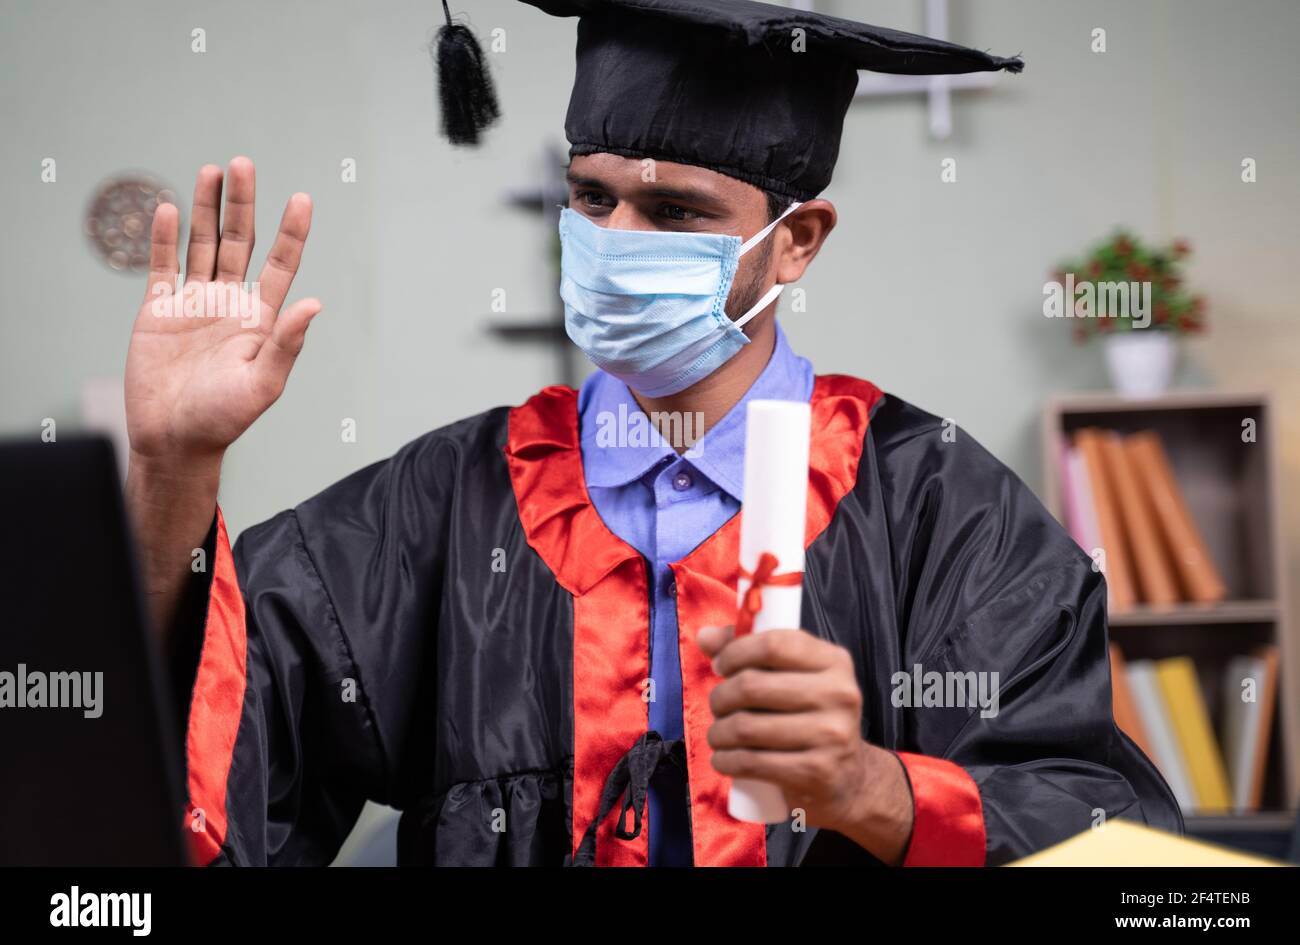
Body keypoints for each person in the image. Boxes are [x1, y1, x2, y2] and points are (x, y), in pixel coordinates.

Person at [124, 0, 1180, 867]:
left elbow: (1113, 851)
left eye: (675, 212)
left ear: (796, 240)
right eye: (593, 197)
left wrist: (871, 787)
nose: (615, 240)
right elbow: (201, 764)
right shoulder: (448, 500)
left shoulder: (941, 509)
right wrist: (174, 470)